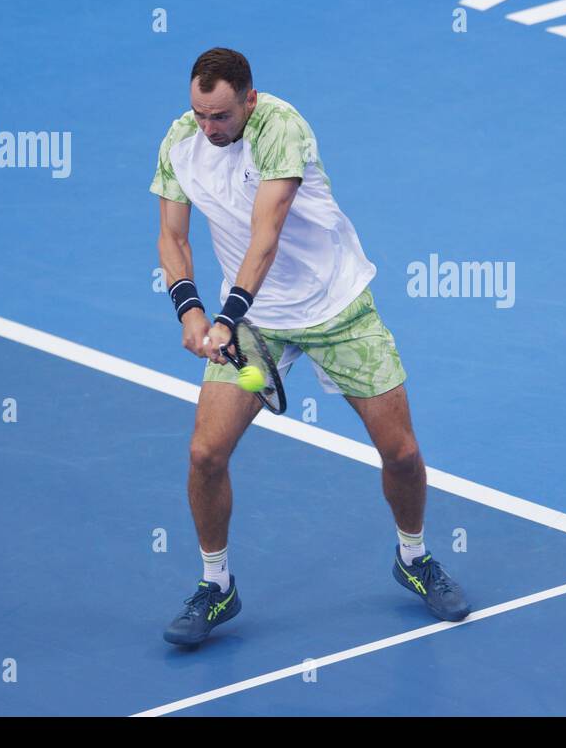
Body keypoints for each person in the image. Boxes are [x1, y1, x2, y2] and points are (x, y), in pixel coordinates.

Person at [151, 47, 470, 646]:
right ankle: (216, 586)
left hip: (335, 310)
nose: (209, 128)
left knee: (400, 452)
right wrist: (189, 309)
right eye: (200, 114)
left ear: (249, 100)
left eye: (221, 116)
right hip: (255, 329)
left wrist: (225, 318)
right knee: (205, 454)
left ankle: (414, 558)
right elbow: (172, 236)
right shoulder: (180, 142)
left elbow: (265, 238)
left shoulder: (282, 129)